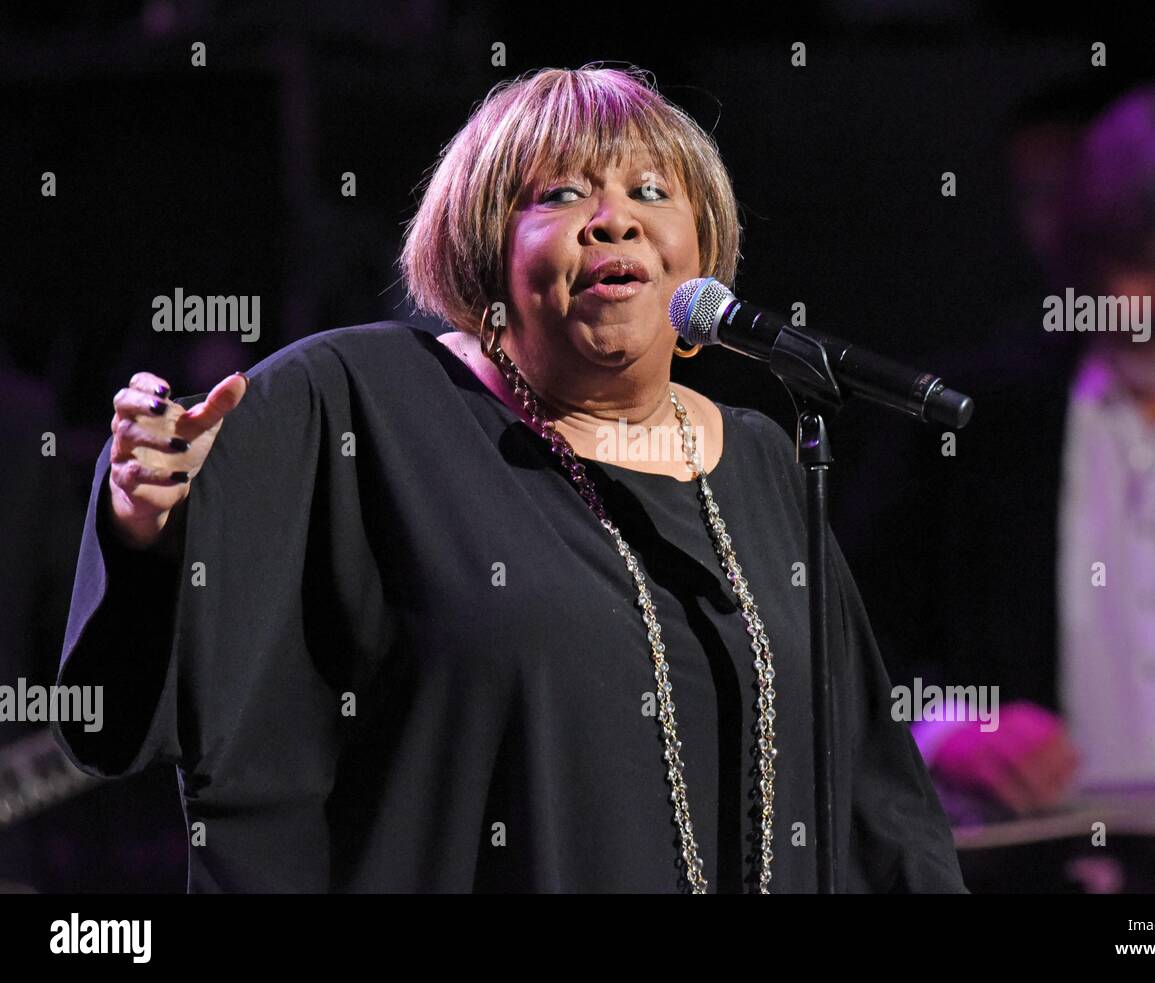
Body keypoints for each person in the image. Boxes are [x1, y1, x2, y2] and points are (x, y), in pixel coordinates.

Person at [51, 65, 967, 893]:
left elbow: (873, 793)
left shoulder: (767, 455)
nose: (615, 217)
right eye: (563, 194)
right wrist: (148, 523)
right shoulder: (359, 402)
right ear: (485, 256)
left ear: (701, 261)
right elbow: (144, 704)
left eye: (653, 191)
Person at [838, 84, 1155, 890]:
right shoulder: (970, 428)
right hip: (1033, 870)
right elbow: (844, 632)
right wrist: (953, 728)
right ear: (1084, 260)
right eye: (1142, 268)